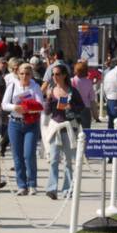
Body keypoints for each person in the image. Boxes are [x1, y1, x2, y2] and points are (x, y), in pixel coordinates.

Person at [2, 62, 44, 194]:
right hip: (15, 123)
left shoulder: (35, 86)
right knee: (17, 156)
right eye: (22, 73)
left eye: (27, 73)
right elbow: (4, 104)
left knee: (29, 154)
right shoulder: (13, 85)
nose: (24, 76)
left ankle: (32, 184)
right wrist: (15, 107)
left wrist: (26, 107)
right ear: (18, 74)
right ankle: (22, 185)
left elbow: (40, 105)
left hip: (30, 124)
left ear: (31, 74)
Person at [43, 63, 84, 199]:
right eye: (53, 74)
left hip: (69, 128)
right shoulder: (51, 90)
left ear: (64, 75)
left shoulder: (72, 91)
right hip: (56, 127)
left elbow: (81, 107)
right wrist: (48, 98)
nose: (55, 77)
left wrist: (70, 106)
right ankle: (52, 188)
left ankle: (67, 189)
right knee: (54, 160)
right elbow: (47, 111)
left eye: (58, 74)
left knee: (68, 161)